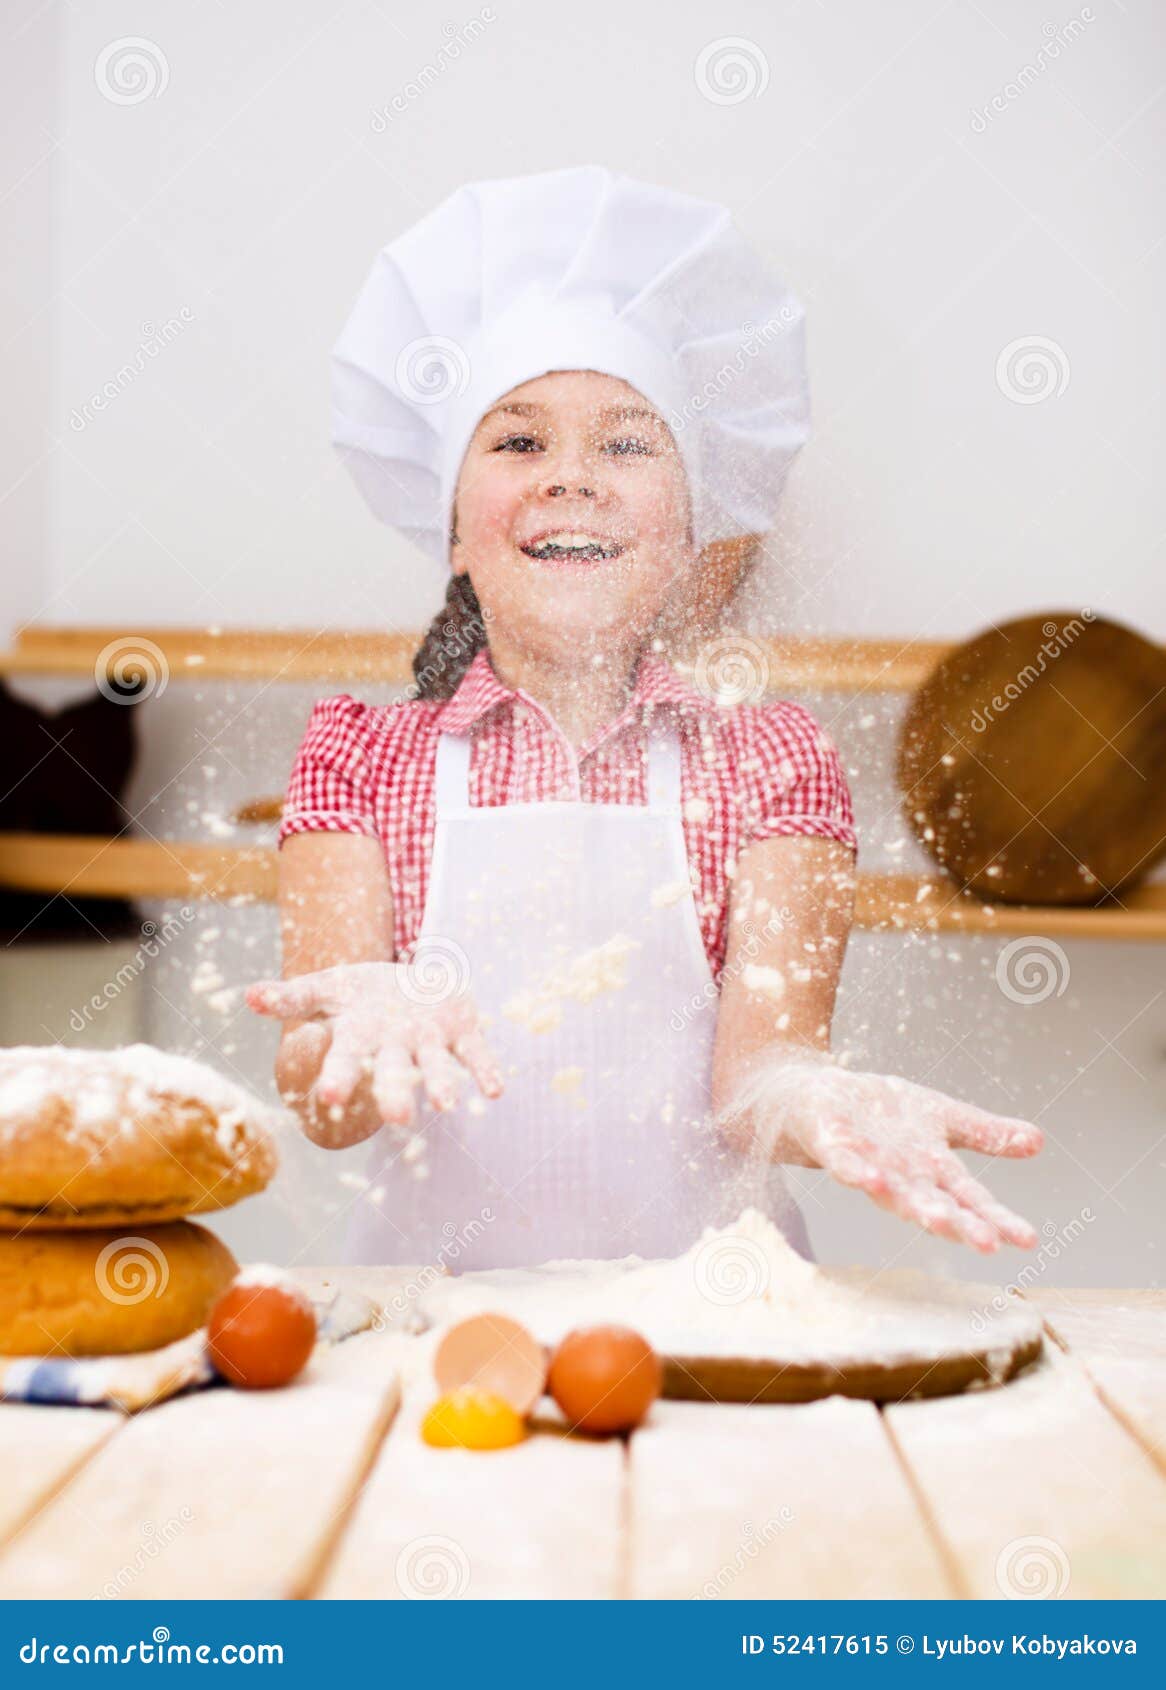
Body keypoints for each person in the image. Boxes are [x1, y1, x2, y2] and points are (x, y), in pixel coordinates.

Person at [247, 166, 1043, 1268]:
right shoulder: (360, 756)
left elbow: (759, 1078)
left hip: (716, 1337)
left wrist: (817, 1099)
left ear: (685, 531)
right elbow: (324, 1099)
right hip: (427, 1343)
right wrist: (354, 1025)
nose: (570, 476)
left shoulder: (770, 760)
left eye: (626, 443)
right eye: (517, 441)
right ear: (454, 530)